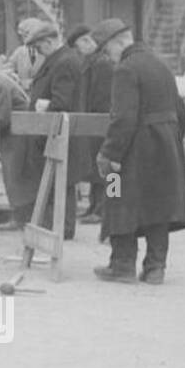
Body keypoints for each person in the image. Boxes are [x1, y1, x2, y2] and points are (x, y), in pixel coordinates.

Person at [91, 19, 185, 284]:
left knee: (118, 199)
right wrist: (171, 139)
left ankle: (122, 265)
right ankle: (155, 268)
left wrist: (109, 153)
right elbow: (180, 111)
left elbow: (123, 118)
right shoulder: (161, 65)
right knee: (158, 207)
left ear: (117, 42)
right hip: (167, 145)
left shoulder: (125, 69)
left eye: (106, 50)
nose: (108, 57)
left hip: (136, 147)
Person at [23, 22, 83, 239]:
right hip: (55, 133)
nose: (38, 52)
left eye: (39, 47)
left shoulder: (63, 62)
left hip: (56, 132)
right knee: (61, 181)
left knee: (60, 181)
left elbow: (62, 100)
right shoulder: (62, 60)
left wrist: (44, 105)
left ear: (49, 42)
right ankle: (59, 227)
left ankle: (61, 228)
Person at [74, 27, 113, 229]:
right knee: (95, 168)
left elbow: (102, 97)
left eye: (79, 45)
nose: (78, 50)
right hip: (93, 122)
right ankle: (95, 206)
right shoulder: (93, 62)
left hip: (100, 123)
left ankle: (104, 209)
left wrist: (95, 118)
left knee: (105, 169)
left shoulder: (102, 64)